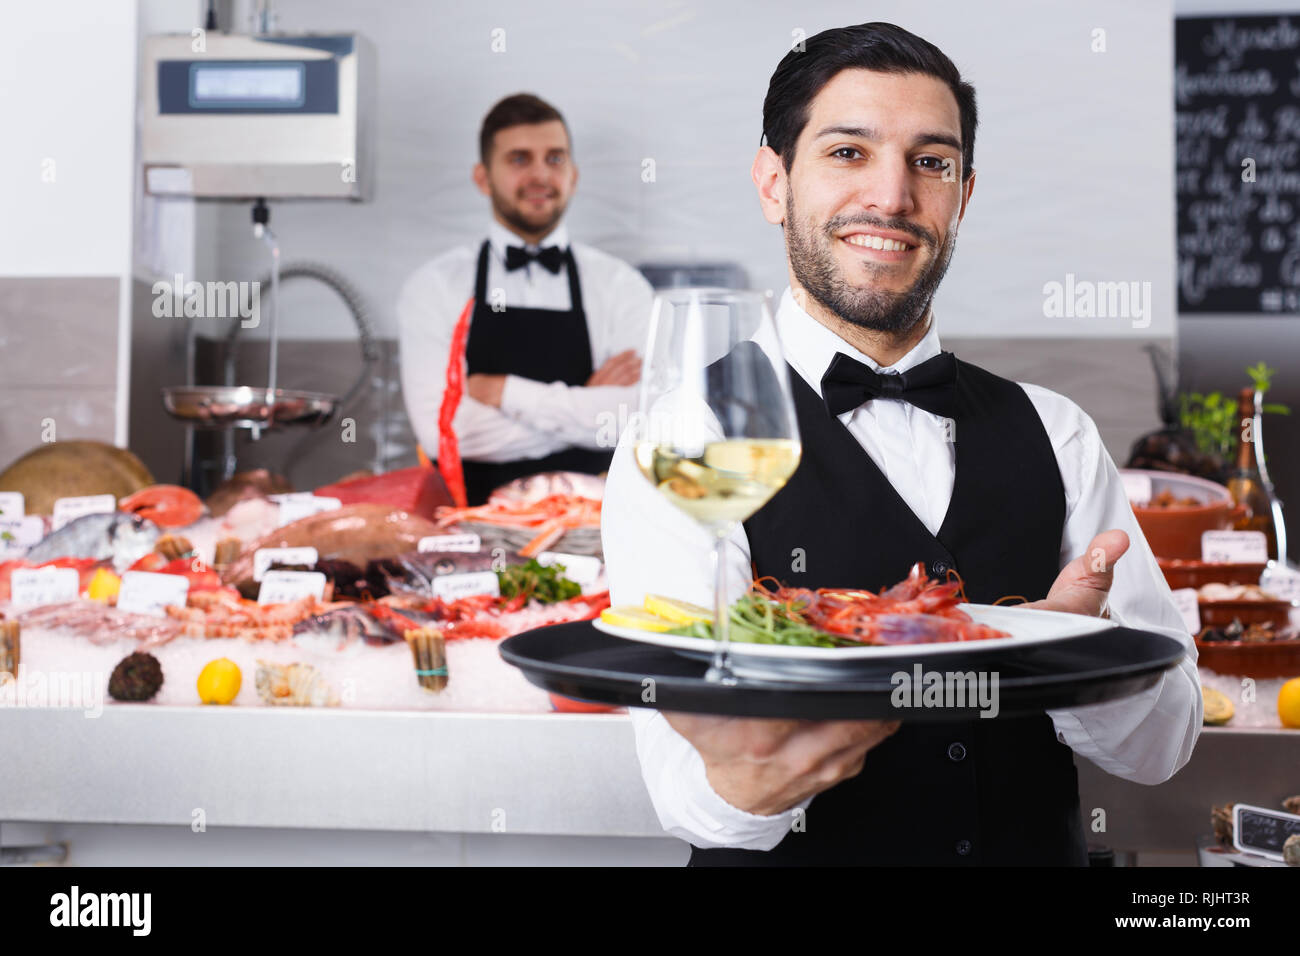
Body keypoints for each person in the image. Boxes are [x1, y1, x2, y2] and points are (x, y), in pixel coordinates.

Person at [600, 22, 1201, 866]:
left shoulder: (1057, 431)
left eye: (932, 161)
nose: (891, 197)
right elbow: (694, 806)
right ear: (774, 182)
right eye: (848, 152)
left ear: (964, 192)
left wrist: (1071, 657)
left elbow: (1163, 748)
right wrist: (752, 769)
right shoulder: (685, 437)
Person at [399, 93, 654, 504]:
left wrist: (505, 393)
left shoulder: (621, 285)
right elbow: (443, 433)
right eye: (519, 159)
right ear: (482, 178)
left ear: (574, 174)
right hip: (469, 525)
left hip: (599, 525)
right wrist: (584, 403)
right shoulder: (433, 287)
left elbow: (643, 419)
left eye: (555, 159)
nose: (540, 174)